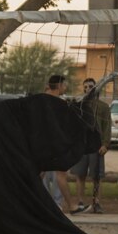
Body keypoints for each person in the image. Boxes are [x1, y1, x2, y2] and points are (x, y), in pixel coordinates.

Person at [69, 78, 112, 214]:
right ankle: (80, 202)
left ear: (96, 89)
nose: (88, 88)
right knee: (79, 175)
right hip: (81, 146)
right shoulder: (79, 105)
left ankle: (96, 203)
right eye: (85, 86)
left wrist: (105, 144)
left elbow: (107, 127)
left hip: (96, 146)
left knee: (96, 177)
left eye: (91, 86)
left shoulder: (103, 107)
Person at [44, 74, 76, 213]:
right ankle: (71, 206)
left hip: (46, 144)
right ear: (58, 86)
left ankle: (65, 205)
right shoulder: (58, 104)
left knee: (41, 174)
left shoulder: (41, 100)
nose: (66, 87)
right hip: (52, 144)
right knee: (60, 175)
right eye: (64, 84)